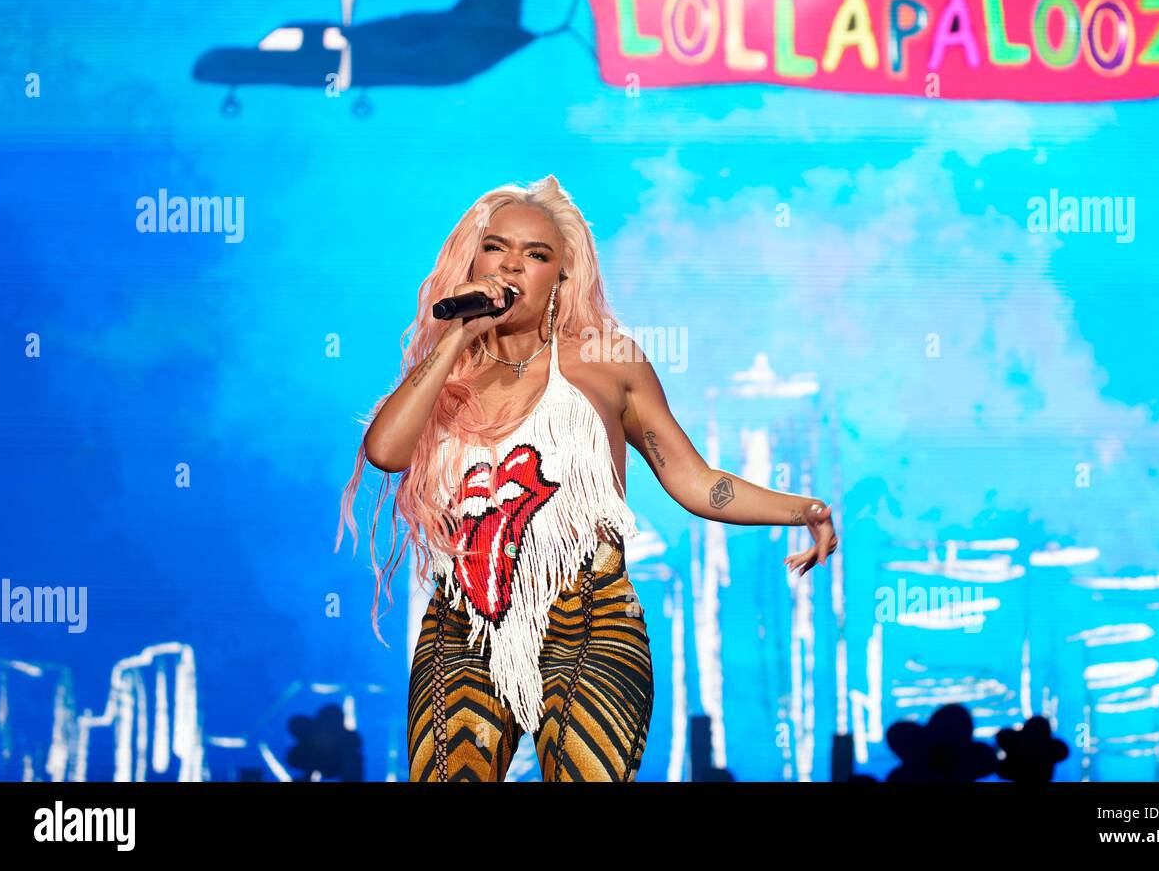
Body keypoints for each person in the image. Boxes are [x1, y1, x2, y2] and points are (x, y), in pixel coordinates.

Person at [336, 174, 839, 781]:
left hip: (589, 617)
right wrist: (451, 344)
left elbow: (691, 478)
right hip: (464, 622)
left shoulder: (607, 359)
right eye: (498, 248)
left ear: (560, 276)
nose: (513, 266)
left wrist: (799, 510)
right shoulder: (447, 371)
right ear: (473, 258)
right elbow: (387, 452)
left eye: (537, 255)